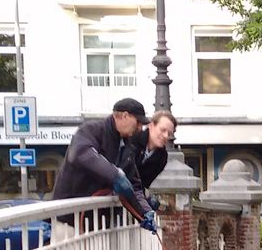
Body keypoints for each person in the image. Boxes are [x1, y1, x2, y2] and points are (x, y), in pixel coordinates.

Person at [52, 97, 158, 234]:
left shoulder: (127, 146)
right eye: (138, 122)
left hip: (98, 223)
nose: (140, 128)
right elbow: (80, 153)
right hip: (69, 220)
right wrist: (115, 175)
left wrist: (145, 212)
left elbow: (134, 186)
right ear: (124, 116)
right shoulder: (91, 130)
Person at [121, 110, 178, 215]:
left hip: (131, 201)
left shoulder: (162, 158)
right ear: (151, 126)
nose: (165, 136)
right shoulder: (132, 139)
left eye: (169, 133)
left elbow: (144, 184)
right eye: (162, 130)